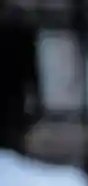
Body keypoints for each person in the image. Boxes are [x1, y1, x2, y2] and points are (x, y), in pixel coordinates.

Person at [0, 7, 41, 154]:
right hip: (14, 96)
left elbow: (30, 68)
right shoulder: (19, 22)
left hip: (13, 95)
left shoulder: (17, 23)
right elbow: (31, 69)